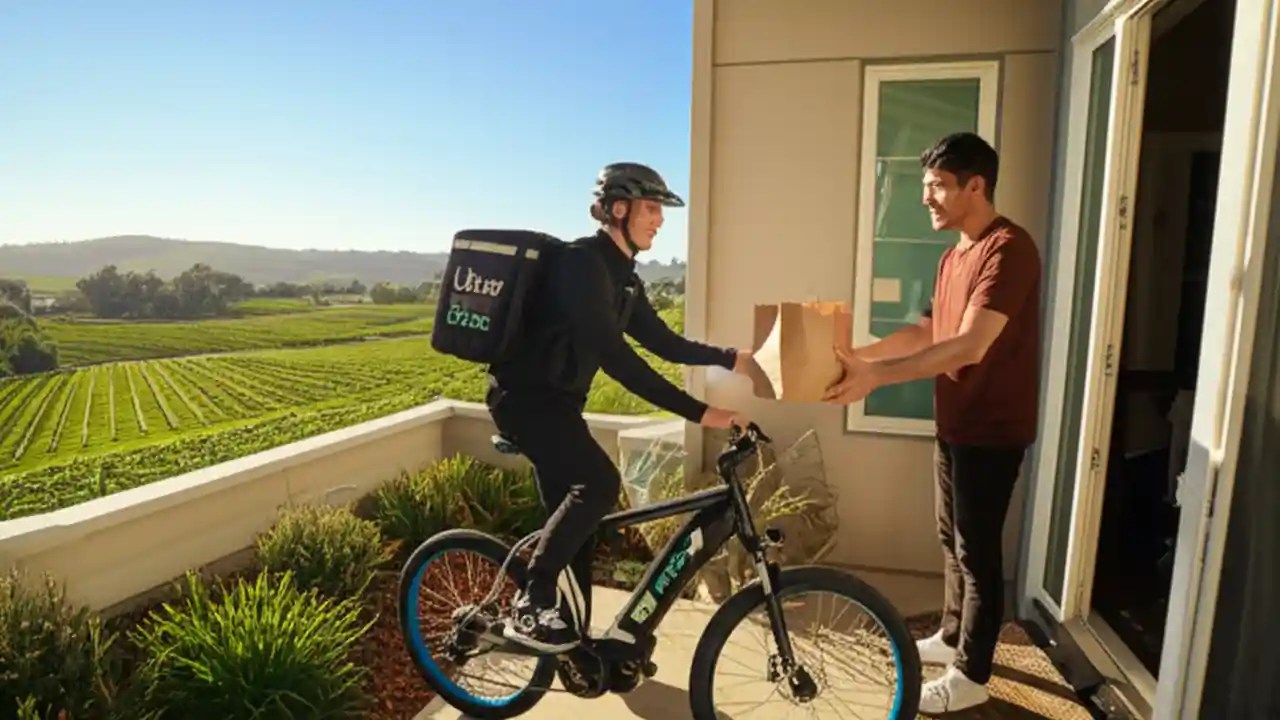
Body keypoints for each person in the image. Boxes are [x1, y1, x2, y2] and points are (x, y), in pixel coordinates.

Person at [486, 161, 751, 653]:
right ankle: (532, 598)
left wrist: (734, 359)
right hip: (525, 404)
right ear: (619, 208)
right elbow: (616, 358)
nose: (660, 220)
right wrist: (700, 413)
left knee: (578, 539)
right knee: (601, 484)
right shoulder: (580, 266)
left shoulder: (624, 278)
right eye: (652, 208)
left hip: (559, 408)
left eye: (660, 210)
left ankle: (572, 646)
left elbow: (664, 343)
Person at [823, 132, 1041, 713]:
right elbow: (925, 334)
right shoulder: (953, 257)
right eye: (925, 187)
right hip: (955, 424)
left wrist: (878, 379)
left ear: (977, 185)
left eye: (938, 186)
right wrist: (858, 358)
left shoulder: (1008, 249)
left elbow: (969, 346)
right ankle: (950, 635)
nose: (927, 198)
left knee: (977, 551)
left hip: (992, 429)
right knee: (951, 540)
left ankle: (972, 674)